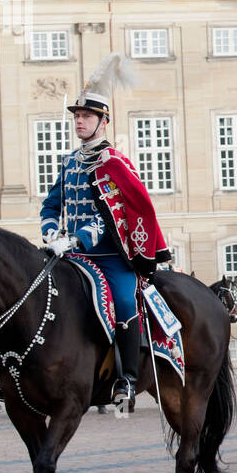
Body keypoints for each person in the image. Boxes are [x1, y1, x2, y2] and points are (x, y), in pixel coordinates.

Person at [40, 53, 171, 405]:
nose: (79, 122)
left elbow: (118, 214)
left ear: (102, 122)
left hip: (110, 255)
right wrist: (52, 232)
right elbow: (52, 204)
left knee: (126, 301)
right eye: (77, 116)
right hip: (69, 252)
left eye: (86, 116)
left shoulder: (113, 163)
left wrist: (76, 237)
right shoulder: (69, 163)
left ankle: (127, 377)